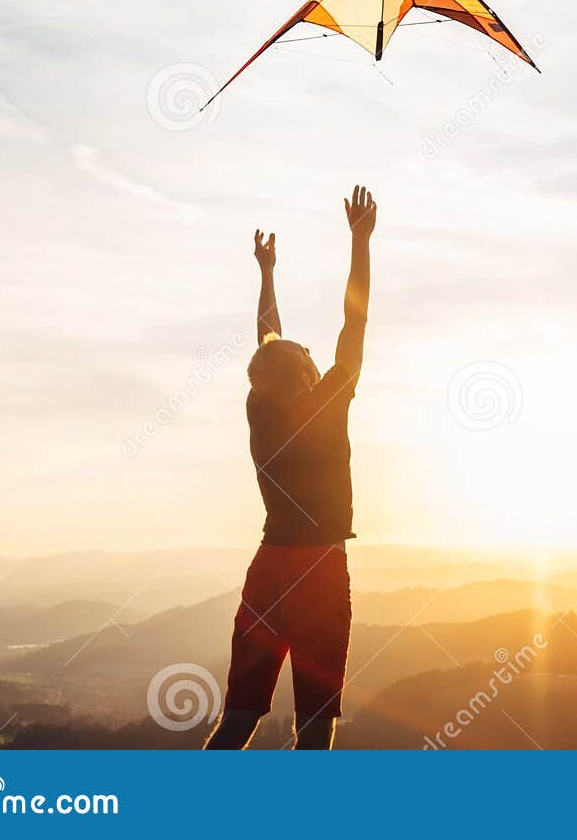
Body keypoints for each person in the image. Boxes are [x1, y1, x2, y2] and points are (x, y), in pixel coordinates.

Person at [204, 185, 376, 750]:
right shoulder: (328, 401)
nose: (307, 348)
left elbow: (268, 340)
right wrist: (360, 241)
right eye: (306, 351)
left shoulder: (261, 408)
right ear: (306, 371)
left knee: (240, 715)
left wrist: (267, 272)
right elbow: (355, 320)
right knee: (316, 721)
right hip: (320, 571)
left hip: (270, 565)